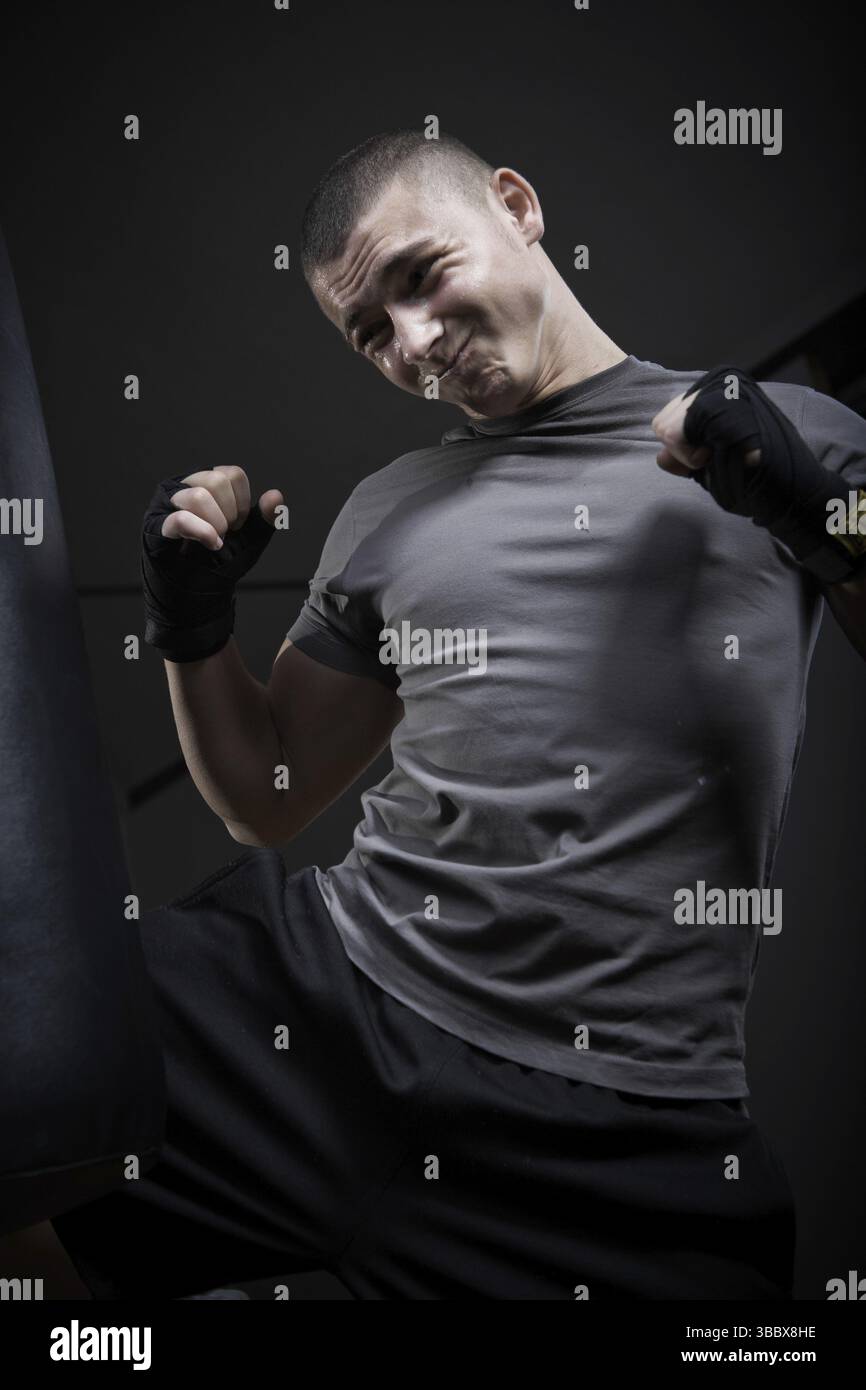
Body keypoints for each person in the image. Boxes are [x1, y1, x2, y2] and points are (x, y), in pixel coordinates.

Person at [41, 129, 866, 1299]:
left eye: (420, 275)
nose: (414, 341)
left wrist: (808, 502)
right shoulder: (391, 509)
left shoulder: (794, 437)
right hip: (320, 1011)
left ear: (517, 206)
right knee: (31, 1079)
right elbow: (267, 797)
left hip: (618, 1126)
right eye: (369, 330)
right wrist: (191, 623)